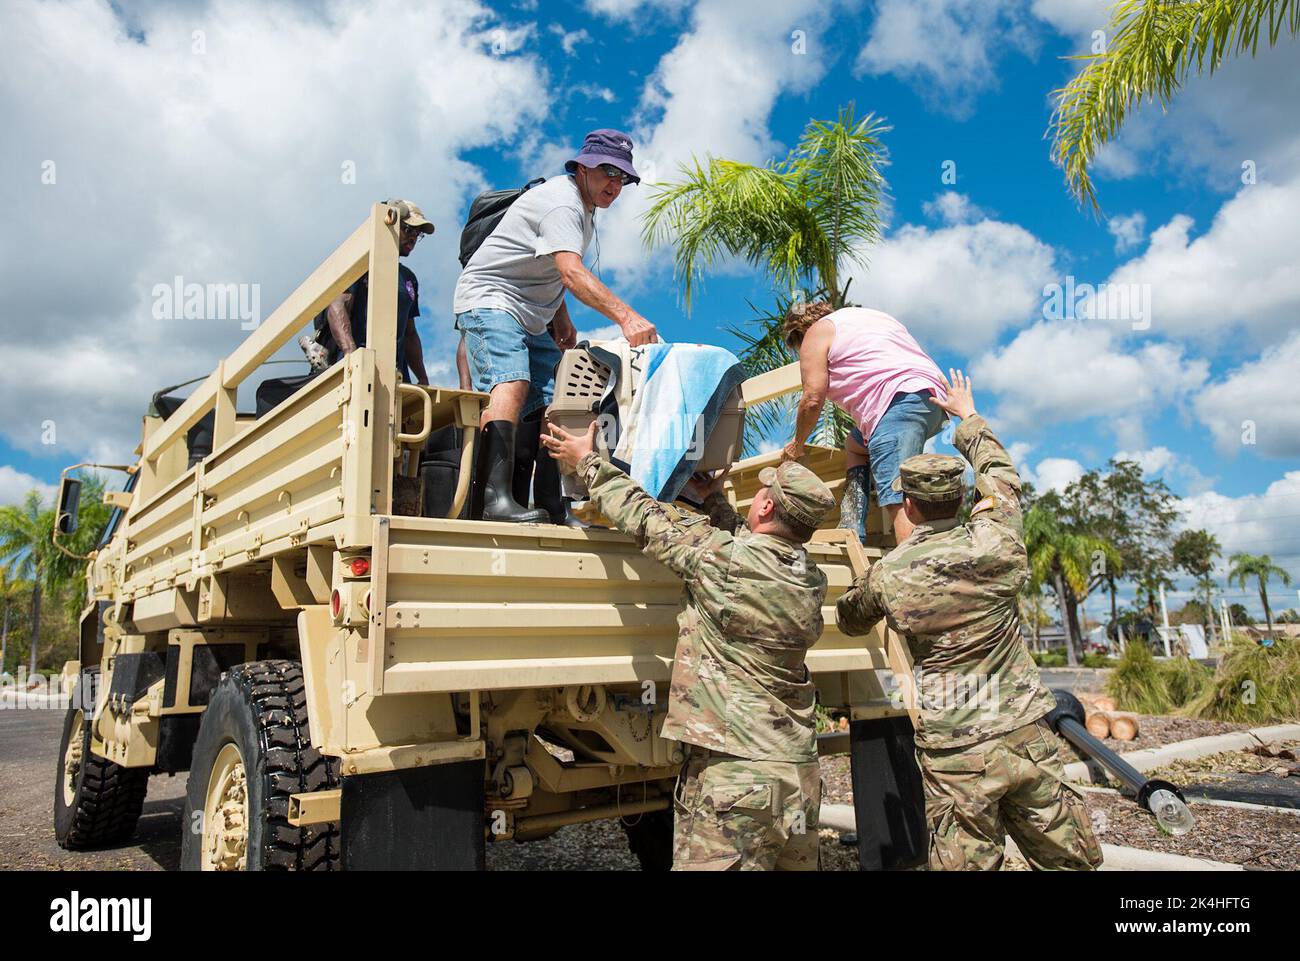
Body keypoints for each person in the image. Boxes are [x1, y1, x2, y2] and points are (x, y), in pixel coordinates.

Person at [835, 370, 1103, 872]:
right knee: (1070, 862)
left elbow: (850, 619)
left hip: (954, 749)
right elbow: (1002, 475)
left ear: (907, 504)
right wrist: (967, 416)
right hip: (1025, 730)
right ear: (960, 499)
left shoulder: (890, 575)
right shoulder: (997, 539)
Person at [542, 421, 836, 870]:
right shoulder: (811, 579)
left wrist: (586, 461)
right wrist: (713, 495)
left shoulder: (722, 558)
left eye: (762, 493)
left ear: (766, 505)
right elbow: (749, 541)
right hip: (797, 771)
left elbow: (645, 517)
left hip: (738, 776)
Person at [453, 129, 658, 523]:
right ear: (581, 167)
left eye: (622, 178)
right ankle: (492, 502)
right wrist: (627, 317)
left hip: (532, 314)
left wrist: (560, 319)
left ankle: (553, 503)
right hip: (490, 299)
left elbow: (547, 267)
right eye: (606, 173)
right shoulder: (563, 204)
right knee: (512, 381)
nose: (614, 185)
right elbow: (570, 272)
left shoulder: (583, 210)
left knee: (561, 403)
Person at [780, 302, 948, 544]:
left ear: (799, 334)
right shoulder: (870, 316)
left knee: (898, 501)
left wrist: (798, 444)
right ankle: (852, 522)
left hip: (896, 405)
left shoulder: (816, 332)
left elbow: (813, 398)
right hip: (932, 402)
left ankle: (914, 575)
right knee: (855, 445)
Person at [320, 198, 432, 385]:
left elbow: (410, 332)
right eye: (409, 230)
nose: (413, 238)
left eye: (418, 234)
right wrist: (353, 358)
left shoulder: (408, 278)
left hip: (396, 376)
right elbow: (337, 306)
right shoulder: (360, 264)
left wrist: (423, 378)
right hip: (356, 371)